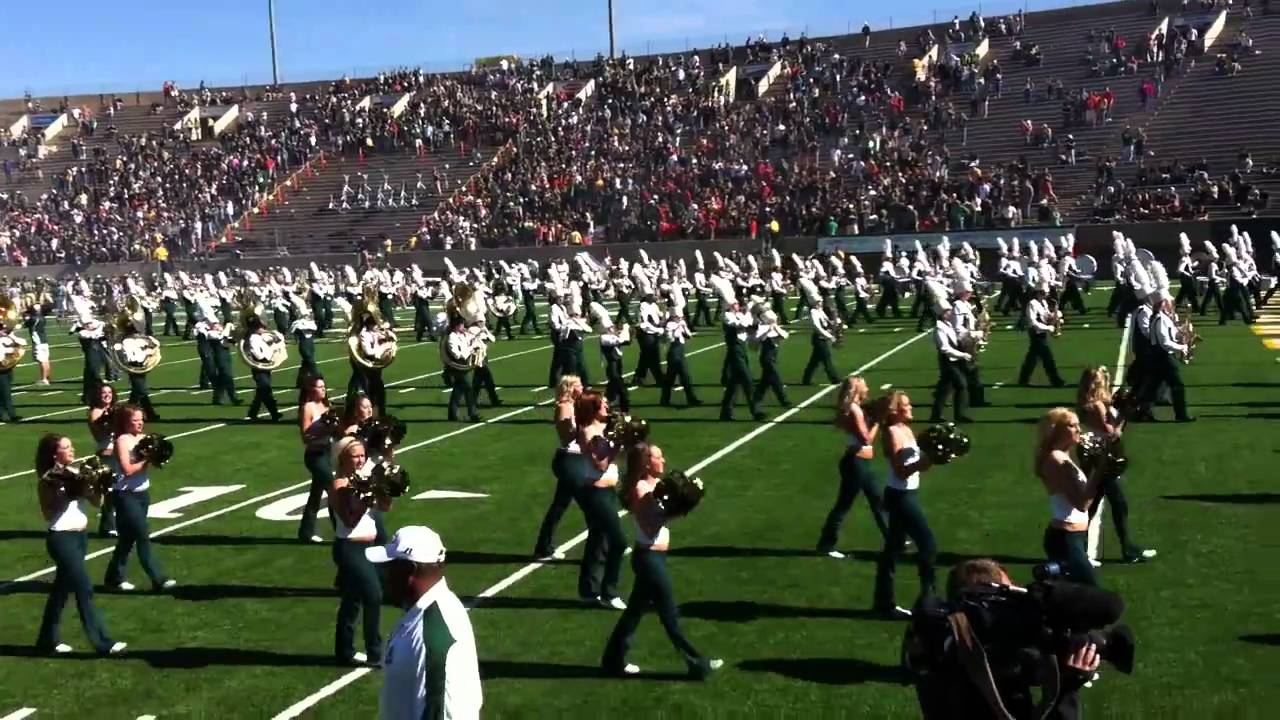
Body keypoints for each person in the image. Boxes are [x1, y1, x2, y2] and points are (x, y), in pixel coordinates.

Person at [602, 442, 724, 678]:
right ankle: (698, 664)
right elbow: (649, 526)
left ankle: (612, 661)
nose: (664, 461)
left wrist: (685, 504)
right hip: (648, 559)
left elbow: (663, 517)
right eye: (659, 457)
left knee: (634, 613)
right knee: (669, 614)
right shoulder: (640, 489)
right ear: (647, 463)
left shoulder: (658, 485)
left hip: (655, 557)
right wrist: (672, 509)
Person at [368, 525, 482, 719]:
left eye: (389, 567)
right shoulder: (421, 614)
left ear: (409, 571)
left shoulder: (432, 634)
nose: (384, 576)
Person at [33, 434, 128, 656]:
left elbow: (96, 503)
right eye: (66, 447)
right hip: (61, 539)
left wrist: (99, 486)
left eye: (71, 446)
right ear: (55, 454)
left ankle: (46, 640)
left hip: (80, 538)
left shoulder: (76, 472)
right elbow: (49, 513)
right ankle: (103, 642)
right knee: (84, 588)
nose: (72, 450)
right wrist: (71, 489)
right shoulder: (48, 480)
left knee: (61, 591)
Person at [1077, 367, 1156, 565]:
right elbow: (1112, 433)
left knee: (1094, 503)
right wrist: (1123, 416)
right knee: (1114, 504)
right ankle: (1124, 550)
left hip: (1095, 453)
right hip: (1101, 456)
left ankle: (1122, 548)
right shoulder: (1097, 406)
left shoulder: (1088, 403)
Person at [873, 392, 939, 618]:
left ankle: (884, 603)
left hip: (907, 493)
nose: (911, 407)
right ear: (895, 410)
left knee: (892, 550)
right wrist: (924, 462)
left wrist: (935, 456)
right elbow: (901, 472)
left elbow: (917, 464)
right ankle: (928, 600)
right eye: (906, 404)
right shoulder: (892, 432)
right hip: (901, 496)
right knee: (928, 545)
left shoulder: (906, 429)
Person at [330, 436, 393, 665]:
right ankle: (375, 653)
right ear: (342, 459)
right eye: (354, 456)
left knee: (352, 599)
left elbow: (385, 507)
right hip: (350, 548)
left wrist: (386, 489)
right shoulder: (339, 485)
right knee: (373, 595)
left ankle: (343, 651)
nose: (359, 460)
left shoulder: (365, 480)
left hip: (370, 546)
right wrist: (365, 496)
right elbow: (349, 521)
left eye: (362, 455)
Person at [104, 405, 176, 592]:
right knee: (142, 535)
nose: (139, 423)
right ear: (125, 422)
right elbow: (127, 470)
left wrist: (159, 457)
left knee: (127, 539)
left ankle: (113, 578)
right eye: (135, 420)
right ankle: (158, 578)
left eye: (141, 419)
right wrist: (147, 460)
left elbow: (154, 462)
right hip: (125, 495)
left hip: (142, 494)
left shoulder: (144, 438)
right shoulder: (122, 440)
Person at [817, 377, 889, 558]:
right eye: (865, 386)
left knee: (877, 501)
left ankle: (893, 538)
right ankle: (826, 544)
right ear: (857, 390)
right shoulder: (854, 410)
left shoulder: (854, 408)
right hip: (856, 464)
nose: (868, 389)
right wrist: (878, 422)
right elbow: (866, 439)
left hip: (859, 463)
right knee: (844, 505)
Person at [572, 390, 628, 609]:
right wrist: (617, 444)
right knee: (619, 542)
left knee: (597, 539)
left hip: (608, 491)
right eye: (603, 403)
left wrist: (626, 438)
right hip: (596, 494)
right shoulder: (587, 431)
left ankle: (588, 591)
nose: (607, 406)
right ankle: (609, 592)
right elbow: (601, 465)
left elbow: (618, 457)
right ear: (593, 408)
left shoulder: (605, 427)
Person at [1035, 408, 1102, 586]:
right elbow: (1082, 503)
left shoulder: (1063, 455)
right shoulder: (1057, 460)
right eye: (1072, 425)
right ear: (1056, 430)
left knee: (1073, 592)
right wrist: (1100, 473)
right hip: (1066, 539)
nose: (1079, 430)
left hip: (1071, 536)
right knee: (1090, 590)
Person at [532, 375, 582, 561]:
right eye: (579, 385)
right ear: (570, 388)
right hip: (569, 459)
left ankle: (543, 546)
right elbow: (567, 437)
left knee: (560, 505)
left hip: (578, 459)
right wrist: (583, 428)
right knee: (584, 505)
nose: (583, 387)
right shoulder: (563, 407)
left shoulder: (577, 405)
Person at [298, 375, 334, 544]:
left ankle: (306, 532)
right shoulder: (308, 407)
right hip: (315, 456)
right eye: (320, 387)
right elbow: (305, 437)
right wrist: (322, 432)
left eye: (324, 386)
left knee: (316, 494)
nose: (323, 389)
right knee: (334, 491)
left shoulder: (327, 406)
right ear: (311, 390)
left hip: (327, 454)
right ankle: (341, 530)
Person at [929, 295, 975, 423]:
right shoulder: (939, 329)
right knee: (961, 385)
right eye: (947, 311)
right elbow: (945, 349)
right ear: (941, 314)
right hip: (947, 362)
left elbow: (956, 339)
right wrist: (962, 355)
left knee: (944, 388)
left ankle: (935, 415)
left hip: (953, 360)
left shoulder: (948, 325)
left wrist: (971, 336)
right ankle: (959, 415)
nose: (950, 313)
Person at [719, 297, 766, 422]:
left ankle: (726, 413)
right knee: (747, 380)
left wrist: (756, 319)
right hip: (734, 349)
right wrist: (749, 311)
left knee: (733, 385)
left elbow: (750, 327)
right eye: (735, 303)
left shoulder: (740, 314)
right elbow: (740, 325)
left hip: (742, 348)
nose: (738, 304)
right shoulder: (727, 316)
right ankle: (756, 411)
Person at [1017, 282, 1066, 387]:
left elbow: (1046, 316)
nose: (1047, 295)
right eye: (1044, 293)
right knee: (1048, 358)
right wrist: (1048, 328)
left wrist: (1055, 316)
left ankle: (1023, 379)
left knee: (1032, 358)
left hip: (1042, 333)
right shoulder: (1032, 304)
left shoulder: (1043, 302)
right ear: (1039, 293)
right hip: (1036, 334)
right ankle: (1056, 381)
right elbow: (1033, 323)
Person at [87, 384, 118, 538]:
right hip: (106, 455)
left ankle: (114, 524)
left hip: (119, 454)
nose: (107, 395)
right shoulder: (95, 412)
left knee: (120, 491)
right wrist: (110, 421)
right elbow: (100, 435)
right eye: (103, 392)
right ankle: (107, 526)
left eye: (109, 392)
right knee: (109, 492)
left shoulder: (115, 409)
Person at [659, 308, 701, 407]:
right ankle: (691, 399)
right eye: (678, 317)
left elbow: (689, 336)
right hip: (674, 353)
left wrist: (684, 327)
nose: (680, 318)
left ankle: (665, 400)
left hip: (679, 352)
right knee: (682, 377)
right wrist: (678, 327)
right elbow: (669, 338)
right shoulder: (670, 325)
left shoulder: (681, 323)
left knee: (673, 378)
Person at [751, 309, 791, 408]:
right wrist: (768, 330)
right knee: (775, 378)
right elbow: (758, 340)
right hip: (766, 357)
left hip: (773, 355)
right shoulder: (762, 327)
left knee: (765, 381)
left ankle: (755, 399)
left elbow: (785, 336)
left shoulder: (775, 326)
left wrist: (775, 328)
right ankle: (784, 400)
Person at [445, 319, 481, 423]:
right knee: (469, 390)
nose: (463, 327)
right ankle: (473, 415)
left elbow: (468, 344)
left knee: (458, 390)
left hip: (464, 365)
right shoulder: (452, 338)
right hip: (458, 367)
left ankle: (452, 414)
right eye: (461, 325)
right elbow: (457, 354)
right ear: (456, 326)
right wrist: (470, 349)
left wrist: (475, 339)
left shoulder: (462, 335)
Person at [801, 303, 841, 385]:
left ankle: (806, 379)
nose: (821, 302)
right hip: (819, 339)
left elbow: (828, 322)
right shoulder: (813, 312)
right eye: (818, 301)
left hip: (822, 338)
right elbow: (817, 327)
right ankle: (835, 379)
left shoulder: (820, 311)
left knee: (814, 361)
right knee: (826, 359)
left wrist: (835, 318)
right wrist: (830, 337)